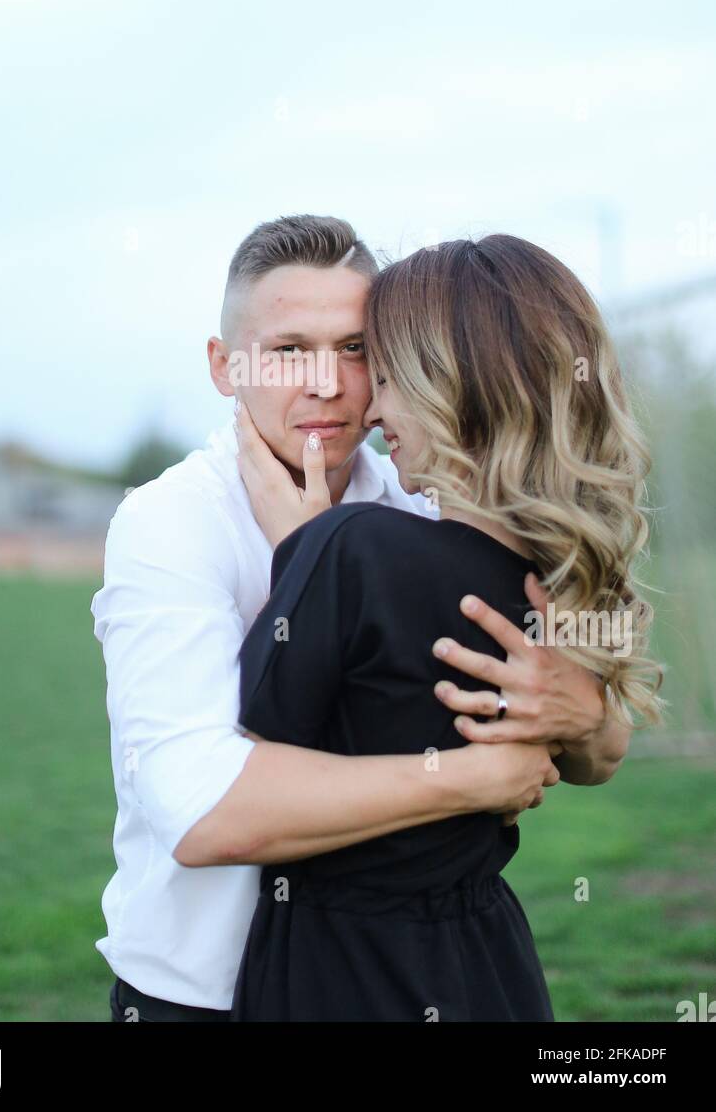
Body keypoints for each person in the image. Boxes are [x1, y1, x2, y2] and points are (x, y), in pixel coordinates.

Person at [94, 216, 619, 1023]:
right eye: (288, 350)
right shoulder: (171, 521)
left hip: (401, 977)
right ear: (224, 366)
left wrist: (581, 713)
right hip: (206, 993)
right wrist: (472, 779)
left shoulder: (426, 496)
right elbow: (202, 812)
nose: (329, 384)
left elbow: (601, 753)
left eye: (353, 349)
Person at [228, 234, 665, 1022]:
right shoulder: (566, 563)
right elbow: (598, 758)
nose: (373, 405)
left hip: (346, 973)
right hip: (493, 964)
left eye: (387, 375)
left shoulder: (351, 544)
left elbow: (247, 774)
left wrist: (298, 548)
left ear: (448, 387)